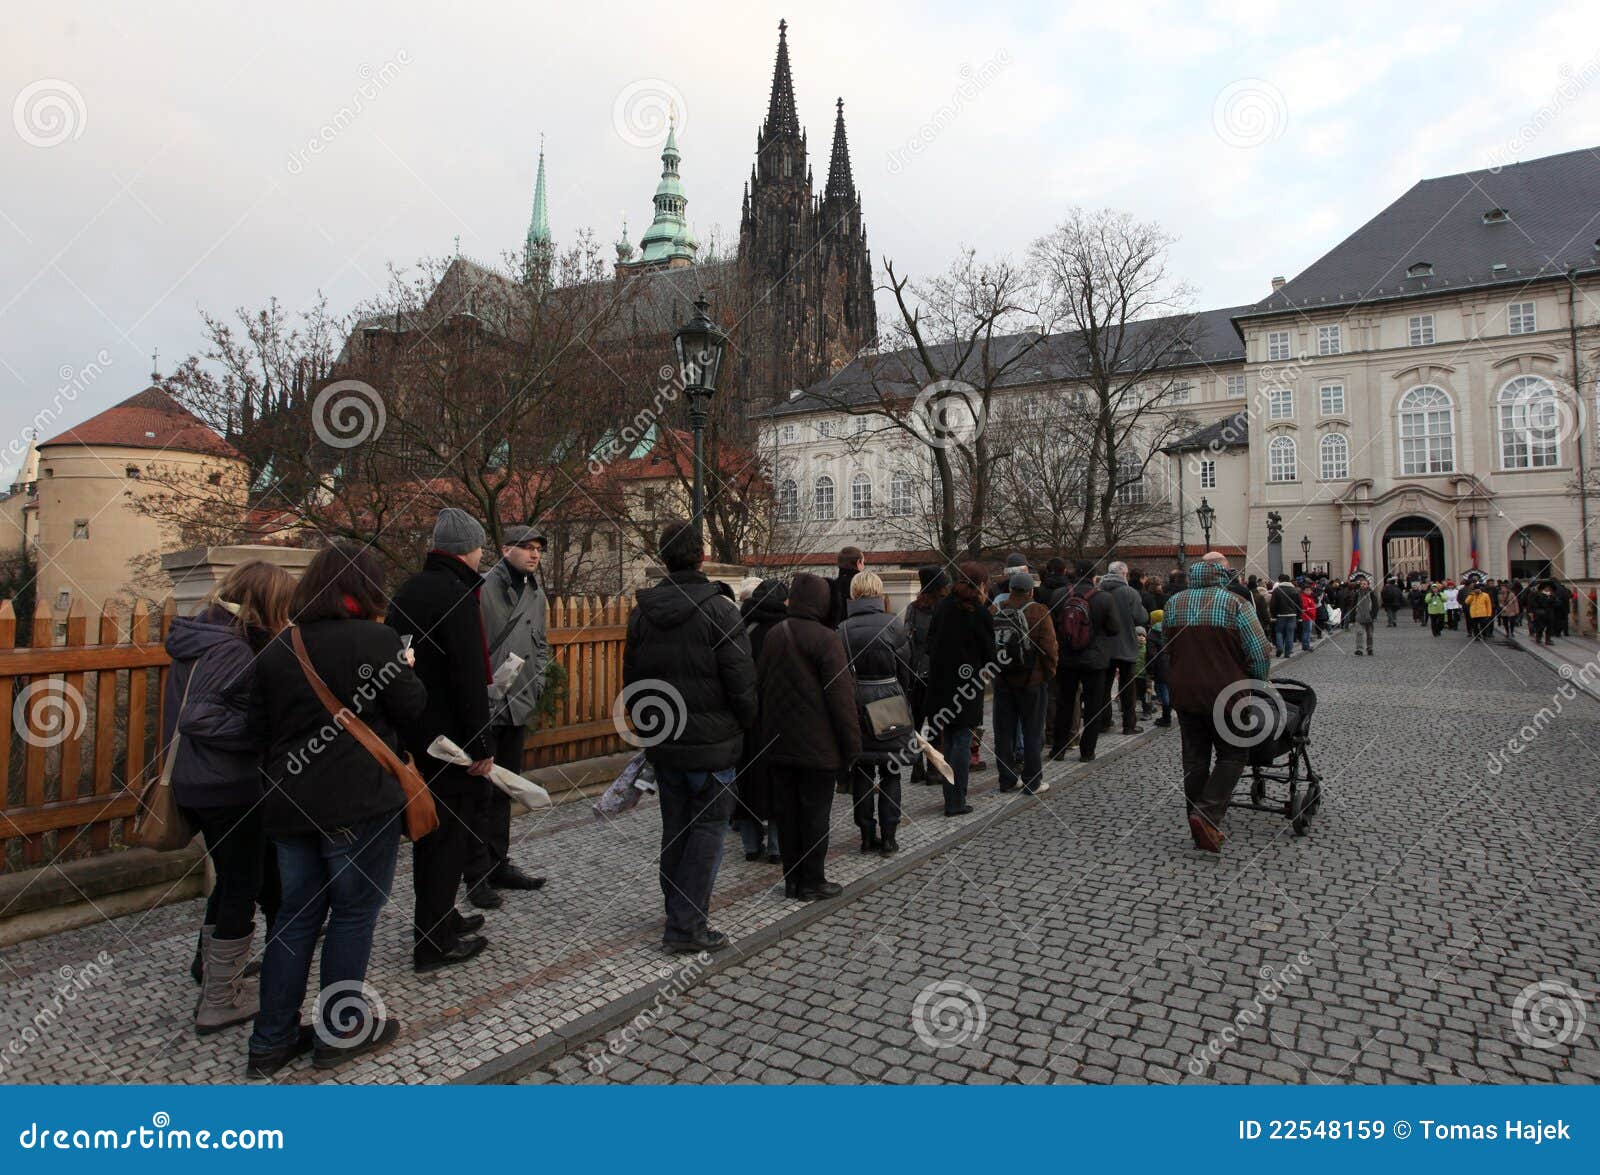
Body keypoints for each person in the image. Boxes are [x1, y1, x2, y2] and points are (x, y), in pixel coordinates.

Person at [246, 544, 426, 1077]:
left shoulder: (280, 648)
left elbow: (257, 732)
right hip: (359, 803)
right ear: (363, 590)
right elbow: (413, 710)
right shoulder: (377, 640)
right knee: (352, 916)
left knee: (293, 920)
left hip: (289, 805)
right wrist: (406, 666)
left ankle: (270, 1040)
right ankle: (340, 1032)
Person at [163, 560, 293, 1033]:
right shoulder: (233, 649)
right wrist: (260, 730)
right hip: (228, 784)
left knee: (234, 875)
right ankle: (220, 999)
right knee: (243, 883)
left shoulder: (201, 636)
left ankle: (210, 966)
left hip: (199, 780)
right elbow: (199, 717)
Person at [622, 520, 758, 948]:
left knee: (676, 829)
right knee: (706, 833)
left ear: (664, 558)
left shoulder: (643, 613)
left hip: (667, 743)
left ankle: (678, 911)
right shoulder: (720, 610)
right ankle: (685, 926)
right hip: (712, 747)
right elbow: (742, 683)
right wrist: (744, 724)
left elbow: (633, 686)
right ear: (700, 556)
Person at [386, 509, 497, 973]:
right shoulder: (458, 594)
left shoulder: (408, 590)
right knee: (446, 839)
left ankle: (443, 916)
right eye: (479, 549)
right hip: (451, 741)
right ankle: (433, 942)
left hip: (415, 733)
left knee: (433, 836)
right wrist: (481, 743)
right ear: (469, 550)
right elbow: (468, 676)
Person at [757, 571, 860, 899]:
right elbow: (841, 700)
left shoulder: (775, 634)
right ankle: (812, 880)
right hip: (818, 747)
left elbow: (761, 687)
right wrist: (852, 748)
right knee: (814, 814)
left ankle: (792, 879)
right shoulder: (826, 639)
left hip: (779, 743)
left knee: (787, 815)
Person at [1162, 556, 1273, 853]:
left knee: (1194, 759)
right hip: (1228, 693)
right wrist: (1258, 684)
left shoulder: (1174, 604)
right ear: (1220, 577)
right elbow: (1260, 652)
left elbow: (1164, 647)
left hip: (1185, 693)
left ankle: (1200, 822)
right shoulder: (1236, 604)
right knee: (1234, 755)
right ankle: (1207, 814)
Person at [467, 524, 550, 908]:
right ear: (504, 550)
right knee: (479, 795)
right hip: (486, 706)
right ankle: (476, 873)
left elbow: (542, 645)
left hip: (518, 703)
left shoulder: (536, 591)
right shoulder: (482, 588)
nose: (534, 555)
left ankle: (499, 862)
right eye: (526, 548)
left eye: (538, 549)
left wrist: (537, 684)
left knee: (505, 791)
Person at [838, 571, 914, 853]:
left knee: (862, 770)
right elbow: (906, 670)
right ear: (880, 593)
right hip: (889, 701)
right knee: (891, 770)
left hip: (856, 703)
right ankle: (891, 836)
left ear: (854, 594)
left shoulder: (842, 629)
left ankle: (867, 836)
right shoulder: (894, 624)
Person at [925, 562, 996, 816]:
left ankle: (950, 798)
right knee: (961, 743)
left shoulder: (941, 608)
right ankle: (956, 800)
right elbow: (990, 656)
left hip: (942, 685)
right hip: (966, 687)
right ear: (980, 585)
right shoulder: (980, 613)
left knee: (949, 741)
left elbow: (929, 645)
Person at [735, 578, 788, 862]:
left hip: (747, 716)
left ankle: (751, 846)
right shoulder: (787, 630)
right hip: (778, 715)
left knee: (747, 781)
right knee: (777, 781)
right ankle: (777, 847)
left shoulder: (742, 627)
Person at [992, 571, 1059, 795]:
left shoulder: (996, 609)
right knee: (1032, 731)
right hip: (1032, 680)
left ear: (1010, 589)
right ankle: (1033, 781)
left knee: (1003, 732)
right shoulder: (1039, 611)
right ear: (1031, 591)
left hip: (1002, 680)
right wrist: (1048, 673)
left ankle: (1007, 779)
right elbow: (1049, 648)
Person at [1049, 560, 1119, 762]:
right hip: (1095, 660)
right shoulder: (1105, 598)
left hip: (1066, 658)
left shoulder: (1059, 595)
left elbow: (1053, 624)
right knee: (1093, 706)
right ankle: (1087, 751)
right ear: (1094, 576)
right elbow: (1114, 628)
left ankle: (1058, 749)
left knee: (1064, 704)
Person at [902, 565, 950, 785]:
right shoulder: (945, 608)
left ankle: (917, 767)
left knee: (918, 721)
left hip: (915, 671)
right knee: (937, 722)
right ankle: (934, 768)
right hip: (938, 672)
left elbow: (906, 642)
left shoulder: (913, 608)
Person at [1097, 560, 1149, 735]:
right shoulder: (1129, 592)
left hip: (1105, 647)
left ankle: (1104, 722)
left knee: (1104, 686)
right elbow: (1141, 617)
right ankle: (1129, 724)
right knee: (1127, 687)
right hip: (1126, 645)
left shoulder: (1100, 590)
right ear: (1124, 574)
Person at [828, 545, 864, 628]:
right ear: (859, 562)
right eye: (863, 562)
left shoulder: (831, 586)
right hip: (856, 631)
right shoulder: (863, 586)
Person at [1146, 608, 1171, 727]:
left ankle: (1166, 718)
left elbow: (1151, 655)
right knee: (1168, 691)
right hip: (1171, 666)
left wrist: (1149, 671)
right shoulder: (1170, 630)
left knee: (1164, 693)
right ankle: (1168, 713)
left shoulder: (1152, 635)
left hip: (1160, 668)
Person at [1349, 576, 1378, 655]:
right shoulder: (1357, 594)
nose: (1363, 585)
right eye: (1362, 584)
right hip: (1359, 617)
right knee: (1359, 632)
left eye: (1365, 584)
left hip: (1369, 617)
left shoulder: (1371, 594)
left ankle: (1370, 648)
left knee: (1370, 634)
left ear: (1368, 585)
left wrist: (1374, 616)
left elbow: (1375, 606)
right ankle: (1359, 649)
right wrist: (1352, 617)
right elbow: (1353, 606)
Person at [1298, 579, 1316, 650]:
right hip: (1306, 617)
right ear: (1304, 590)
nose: (1309, 591)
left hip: (1309, 617)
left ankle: (1306, 644)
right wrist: (1311, 610)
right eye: (1307, 590)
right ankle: (1306, 645)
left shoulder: (1309, 597)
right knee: (1306, 631)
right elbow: (1305, 608)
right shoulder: (1304, 598)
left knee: (1308, 631)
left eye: (1310, 590)